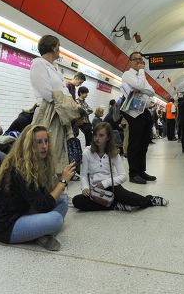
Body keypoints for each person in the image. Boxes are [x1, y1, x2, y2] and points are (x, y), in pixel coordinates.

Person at [0, 125, 75, 251]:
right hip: (6, 227)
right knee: (56, 220)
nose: (44, 146)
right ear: (28, 145)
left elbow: (43, 197)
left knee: (63, 200)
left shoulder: (34, 163)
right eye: (38, 142)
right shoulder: (19, 168)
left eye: (46, 141)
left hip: (23, 211)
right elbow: (43, 205)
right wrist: (62, 182)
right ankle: (41, 233)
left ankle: (39, 233)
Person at [72, 123, 168, 211]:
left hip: (111, 186)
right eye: (95, 135)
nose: (97, 138)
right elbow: (83, 174)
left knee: (126, 196)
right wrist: (85, 187)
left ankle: (150, 200)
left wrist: (105, 183)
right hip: (95, 190)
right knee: (77, 201)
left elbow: (123, 176)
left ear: (108, 137)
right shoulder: (87, 152)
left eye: (101, 135)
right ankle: (116, 205)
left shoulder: (113, 153)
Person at [30, 35, 80, 174]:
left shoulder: (55, 66)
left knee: (58, 153)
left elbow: (64, 91)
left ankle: (58, 188)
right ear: (53, 47)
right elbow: (47, 93)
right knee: (47, 152)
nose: (60, 50)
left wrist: (68, 101)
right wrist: (68, 102)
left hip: (60, 114)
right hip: (47, 114)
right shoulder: (38, 64)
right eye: (59, 46)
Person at [120, 52, 157, 184]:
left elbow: (152, 91)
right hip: (133, 111)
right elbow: (141, 86)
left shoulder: (141, 76)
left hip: (144, 110)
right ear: (130, 61)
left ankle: (141, 171)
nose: (138, 62)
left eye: (140, 59)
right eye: (135, 60)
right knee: (135, 142)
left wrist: (140, 87)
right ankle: (133, 173)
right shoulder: (127, 74)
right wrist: (141, 77)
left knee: (144, 142)